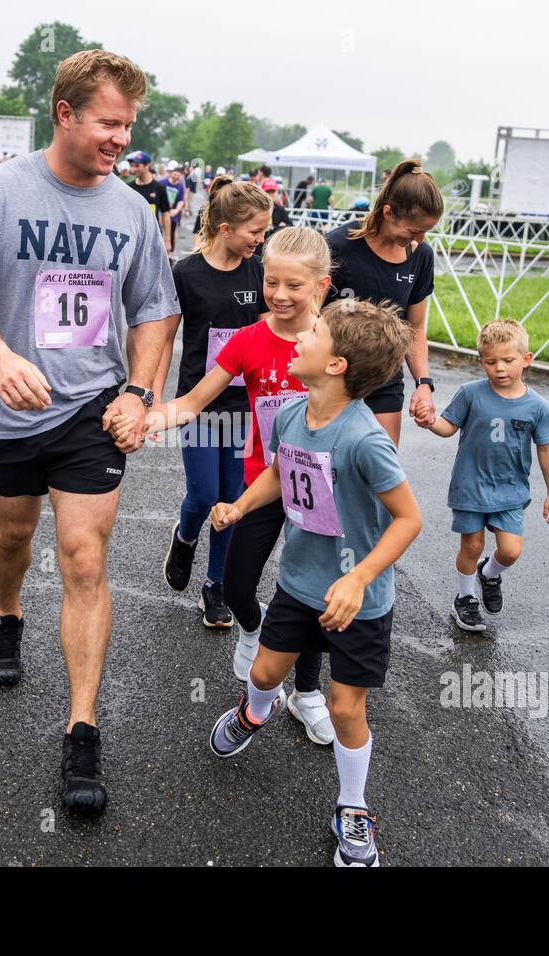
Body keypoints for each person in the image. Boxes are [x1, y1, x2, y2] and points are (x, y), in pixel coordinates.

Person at [0, 48, 178, 814]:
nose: (120, 139)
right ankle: (7, 615)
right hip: (10, 410)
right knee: (13, 539)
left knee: (83, 557)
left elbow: (156, 311)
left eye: (128, 126)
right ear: (65, 113)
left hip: (90, 411)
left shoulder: (133, 211)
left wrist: (141, 392)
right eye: (109, 123)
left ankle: (82, 728)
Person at [203, 299, 422, 867]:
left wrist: (361, 577)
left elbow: (409, 519)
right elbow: (279, 470)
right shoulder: (293, 415)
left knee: (347, 709)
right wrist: (241, 505)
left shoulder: (366, 440)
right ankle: (255, 713)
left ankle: (353, 806)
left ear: (337, 365)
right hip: (300, 584)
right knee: (262, 673)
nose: (302, 334)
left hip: (360, 602)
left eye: (316, 332)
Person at [125, 226, 339, 745]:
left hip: (322, 492)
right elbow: (194, 402)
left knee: (314, 596)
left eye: (294, 286)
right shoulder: (249, 340)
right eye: (271, 283)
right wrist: (146, 418)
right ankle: (250, 627)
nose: (280, 296)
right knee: (239, 587)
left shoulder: (336, 342)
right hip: (261, 484)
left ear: (321, 287)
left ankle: (307, 693)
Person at [148, 177, 270, 630]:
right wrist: (153, 395)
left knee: (232, 499)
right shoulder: (186, 273)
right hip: (198, 402)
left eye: (264, 232)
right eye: (254, 232)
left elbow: (265, 336)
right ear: (223, 228)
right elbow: (162, 337)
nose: (261, 240)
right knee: (202, 495)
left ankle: (214, 586)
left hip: (244, 406)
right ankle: (184, 537)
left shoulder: (256, 272)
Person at [419, 319, 549, 631]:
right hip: (470, 484)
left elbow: (547, 449)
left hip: (510, 489)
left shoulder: (538, 406)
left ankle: (489, 573)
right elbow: (448, 427)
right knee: (471, 545)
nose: (499, 368)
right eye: (491, 361)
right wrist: (429, 421)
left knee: (511, 550)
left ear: (526, 359)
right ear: (481, 360)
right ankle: (466, 598)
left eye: (508, 361)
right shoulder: (470, 393)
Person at [324, 159, 443, 446]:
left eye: (426, 232)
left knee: (379, 475)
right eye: (414, 231)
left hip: (385, 382)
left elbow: (414, 327)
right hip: (334, 378)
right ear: (388, 212)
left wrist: (423, 385)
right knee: (329, 474)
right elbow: (310, 316)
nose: (420, 239)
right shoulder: (336, 246)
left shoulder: (421, 256)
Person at [126, 150, 172, 254]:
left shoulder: (159, 188)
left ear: (147, 166)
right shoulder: (129, 187)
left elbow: (165, 214)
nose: (133, 169)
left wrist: (168, 240)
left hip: (153, 238)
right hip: (132, 237)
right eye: (132, 166)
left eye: (137, 166)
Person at [164, 162, 187, 251]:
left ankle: (171, 253)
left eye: (178, 175)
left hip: (173, 214)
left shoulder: (180, 186)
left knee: (172, 232)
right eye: (174, 174)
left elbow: (181, 200)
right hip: (162, 213)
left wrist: (176, 210)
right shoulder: (163, 183)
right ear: (171, 174)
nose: (175, 177)